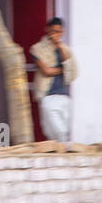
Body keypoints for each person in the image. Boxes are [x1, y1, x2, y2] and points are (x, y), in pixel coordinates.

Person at [31, 18, 77, 146]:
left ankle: (60, 157)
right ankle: (63, 154)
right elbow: (47, 71)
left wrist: (60, 47)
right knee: (57, 131)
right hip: (48, 95)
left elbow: (73, 71)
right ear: (47, 30)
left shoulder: (65, 49)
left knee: (63, 131)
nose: (56, 34)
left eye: (59, 31)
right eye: (53, 31)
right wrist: (64, 69)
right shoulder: (38, 49)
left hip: (64, 96)